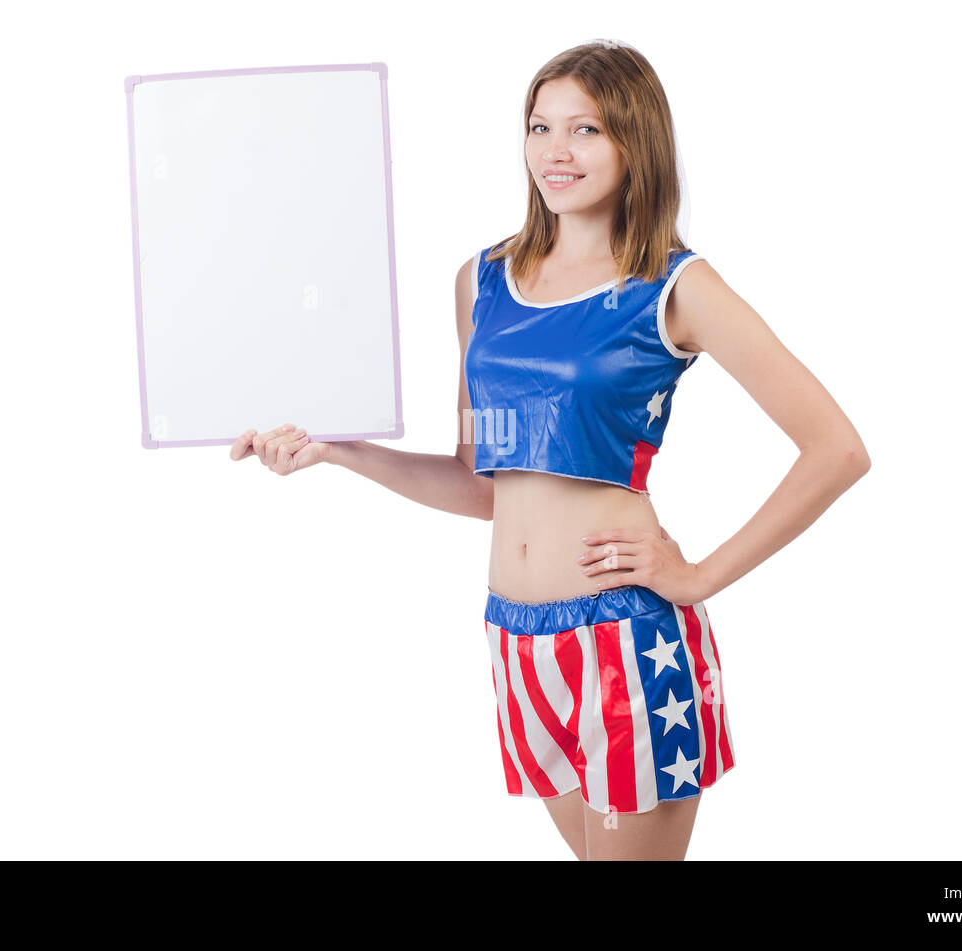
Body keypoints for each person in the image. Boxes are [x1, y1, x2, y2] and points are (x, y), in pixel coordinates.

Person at [229, 41, 870, 860]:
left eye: (586, 130)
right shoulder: (482, 281)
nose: (555, 152)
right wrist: (338, 451)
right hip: (514, 639)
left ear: (636, 142)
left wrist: (699, 574)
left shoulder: (674, 285)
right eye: (540, 127)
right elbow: (479, 482)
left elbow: (836, 449)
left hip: (627, 639)